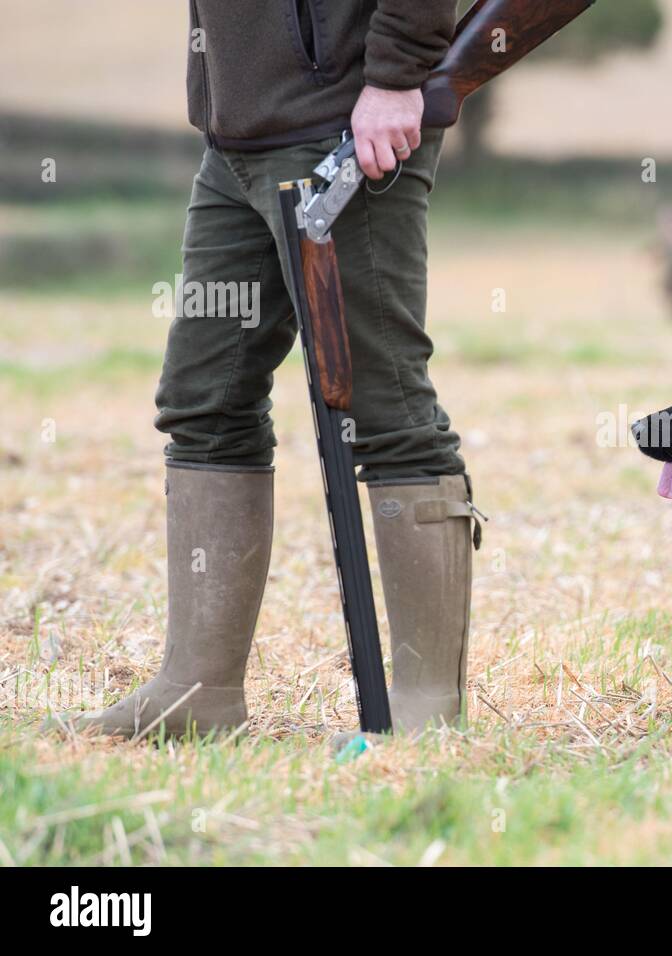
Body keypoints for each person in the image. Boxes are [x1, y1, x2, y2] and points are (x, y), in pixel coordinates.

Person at [54, 0, 474, 738]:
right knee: (203, 399)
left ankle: (425, 712)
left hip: (343, 124)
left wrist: (397, 72)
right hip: (237, 135)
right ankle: (198, 692)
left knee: (387, 407)